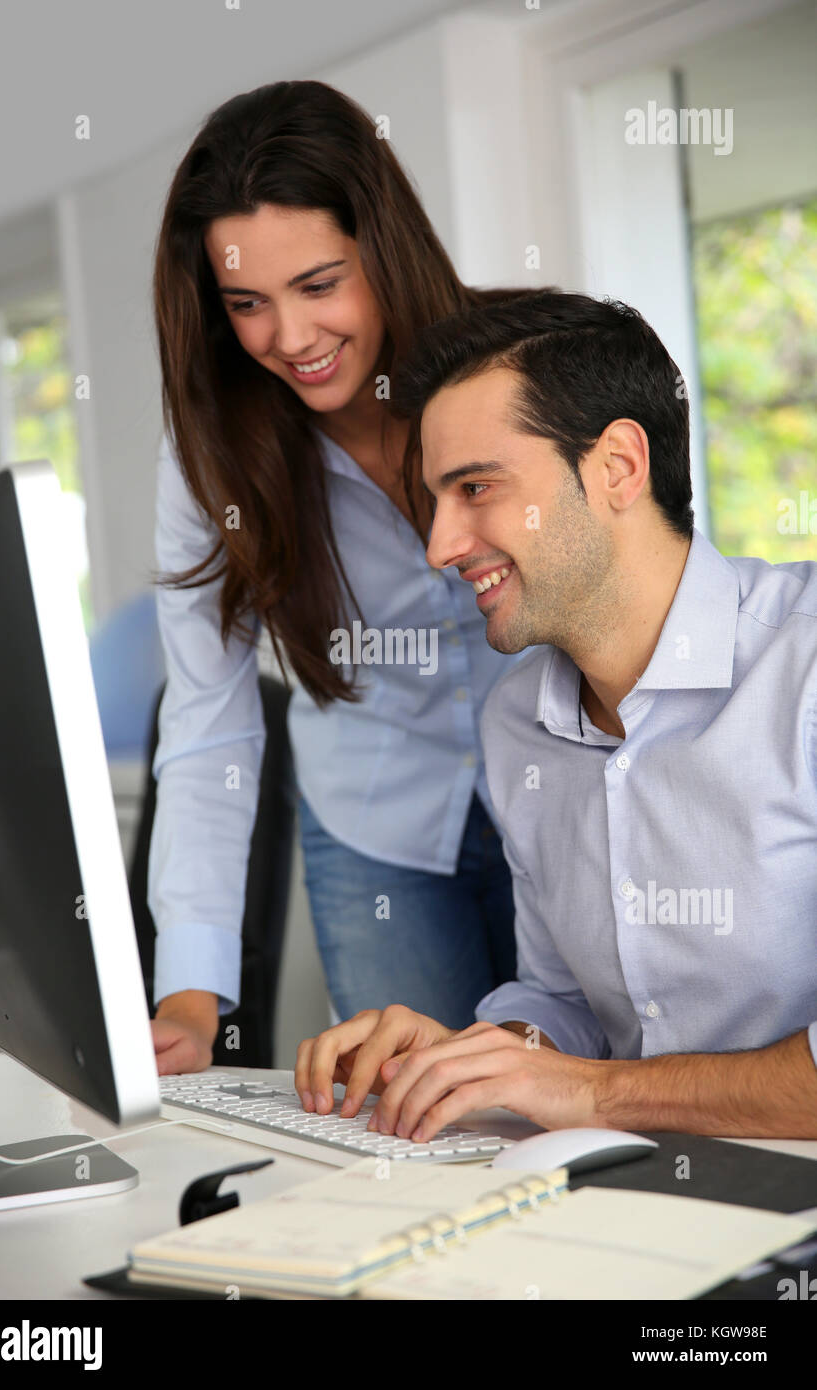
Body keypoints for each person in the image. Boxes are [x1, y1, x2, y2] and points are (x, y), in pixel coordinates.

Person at [294, 290, 817, 1140]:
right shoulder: (516, 725)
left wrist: (596, 1094)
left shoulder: (805, 671)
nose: (439, 546)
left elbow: (593, 1084)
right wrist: (482, 1054)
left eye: (476, 488)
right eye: (435, 500)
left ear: (616, 466)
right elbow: (564, 1001)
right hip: (632, 1203)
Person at [148, 79, 532, 1077]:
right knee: (408, 1130)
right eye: (246, 304)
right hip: (375, 830)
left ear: (382, 251)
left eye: (318, 284)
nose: (289, 337)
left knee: (573, 1122)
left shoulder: (520, 374)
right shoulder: (210, 457)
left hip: (558, 804)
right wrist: (189, 1000)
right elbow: (208, 725)